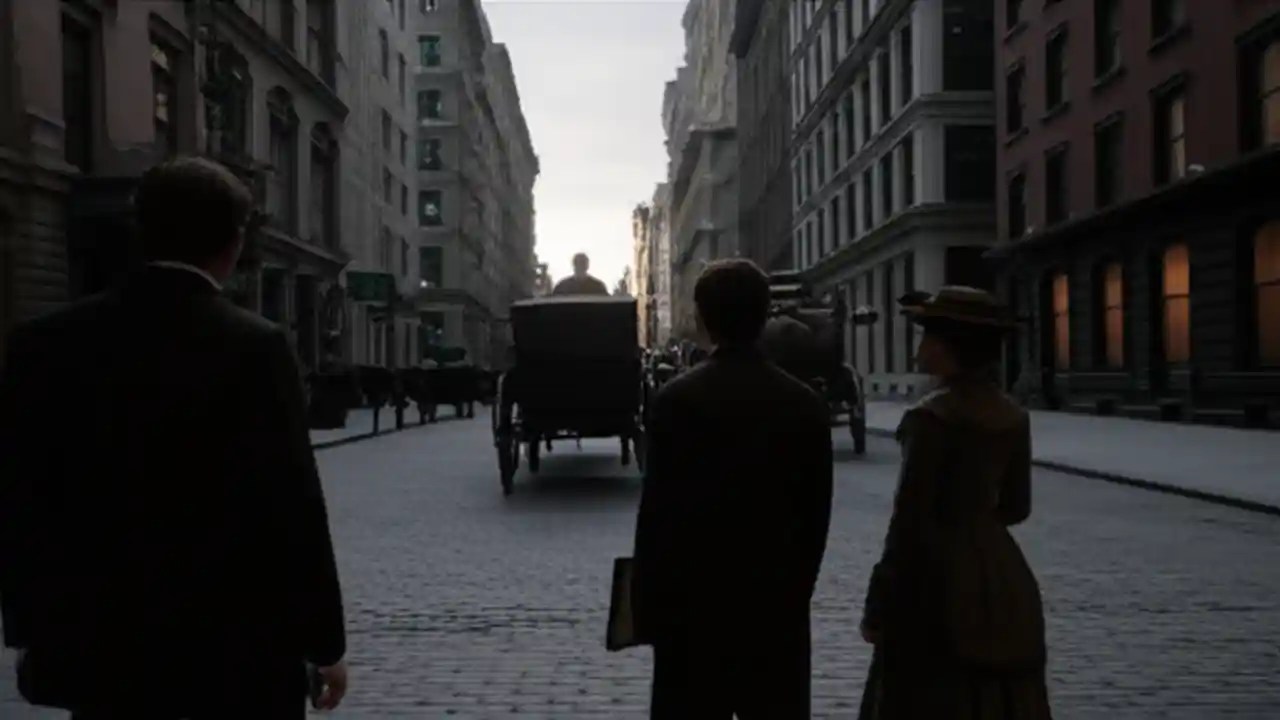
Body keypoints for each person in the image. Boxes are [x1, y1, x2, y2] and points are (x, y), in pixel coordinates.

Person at [0, 157, 348, 718]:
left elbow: (19, 498)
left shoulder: (43, 344)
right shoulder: (255, 346)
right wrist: (324, 643)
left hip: (103, 645)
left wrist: (30, 630)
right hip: (234, 648)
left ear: (140, 230)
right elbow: (291, 504)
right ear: (235, 243)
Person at [632, 259, 834, 718]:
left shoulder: (676, 401)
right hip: (774, 605)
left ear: (703, 318)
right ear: (765, 316)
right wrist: (796, 591)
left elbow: (658, 515)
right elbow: (815, 515)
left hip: (693, 608)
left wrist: (647, 607)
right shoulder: (804, 403)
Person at [857, 286, 1051, 720]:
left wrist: (879, 606)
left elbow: (908, 525)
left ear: (951, 348)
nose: (919, 347)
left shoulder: (931, 420)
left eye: (928, 337)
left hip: (935, 581)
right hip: (1000, 574)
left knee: (925, 692)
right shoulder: (1012, 415)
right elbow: (1017, 507)